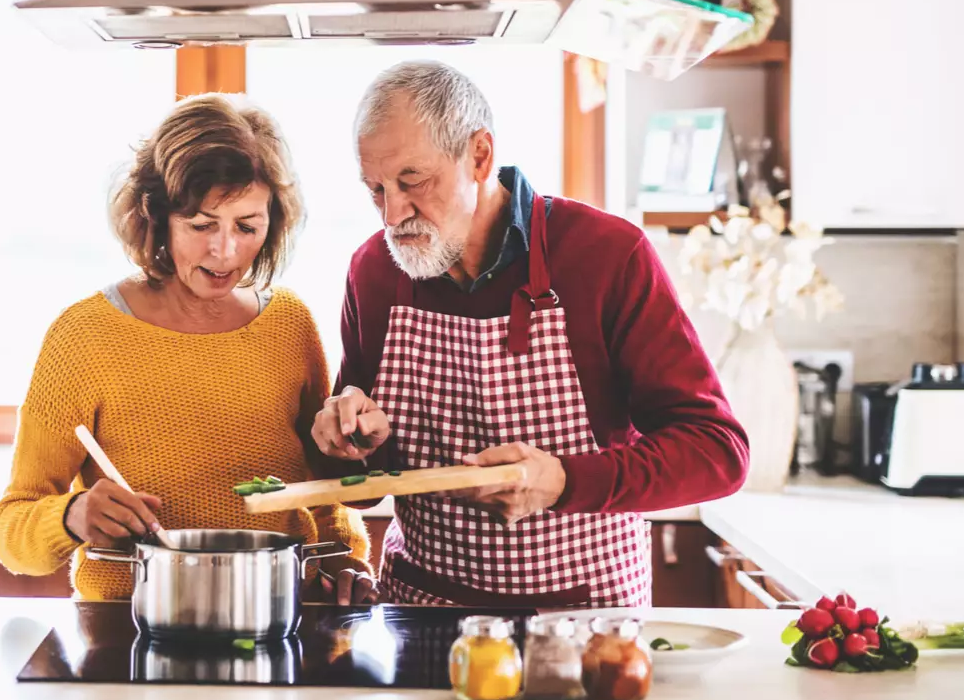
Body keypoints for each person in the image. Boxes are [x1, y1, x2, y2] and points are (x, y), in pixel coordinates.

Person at [312, 61, 748, 608]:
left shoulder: (607, 256)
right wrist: (353, 440)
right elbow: (355, 474)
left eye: (412, 181)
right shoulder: (374, 271)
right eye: (375, 189)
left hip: (585, 619)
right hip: (421, 612)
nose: (393, 213)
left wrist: (562, 480)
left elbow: (717, 452)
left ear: (479, 155)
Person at [0, 94, 377, 605]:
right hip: (131, 629)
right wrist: (71, 515)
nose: (225, 251)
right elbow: (14, 531)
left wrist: (344, 561)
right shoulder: (84, 336)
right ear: (156, 216)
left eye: (247, 226)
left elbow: (323, 491)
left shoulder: (289, 323)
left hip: (278, 614)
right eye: (200, 225)